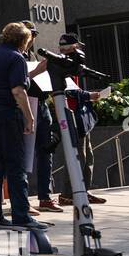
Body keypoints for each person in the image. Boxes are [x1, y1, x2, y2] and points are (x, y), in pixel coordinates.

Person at [0, 23, 46, 232]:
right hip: (6, 114)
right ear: (24, 41)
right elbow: (18, 91)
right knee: (15, 165)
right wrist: (29, 118)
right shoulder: (17, 58)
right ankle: (22, 216)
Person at [53, 33, 106, 205]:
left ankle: (84, 191)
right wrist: (89, 95)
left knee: (87, 155)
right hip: (70, 115)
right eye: (76, 47)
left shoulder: (73, 65)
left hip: (80, 115)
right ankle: (68, 194)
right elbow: (69, 90)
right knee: (77, 156)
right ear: (68, 48)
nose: (79, 51)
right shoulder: (59, 64)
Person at [21, 22, 60, 214]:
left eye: (34, 34)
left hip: (42, 104)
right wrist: (37, 72)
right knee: (23, 155)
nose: (31, 38)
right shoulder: (14, 56)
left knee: (46, 151)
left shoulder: (34, 56)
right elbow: (16, 83)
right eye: (28, 34)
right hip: (23, 106)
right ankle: (22, 200)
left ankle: (45, 196)